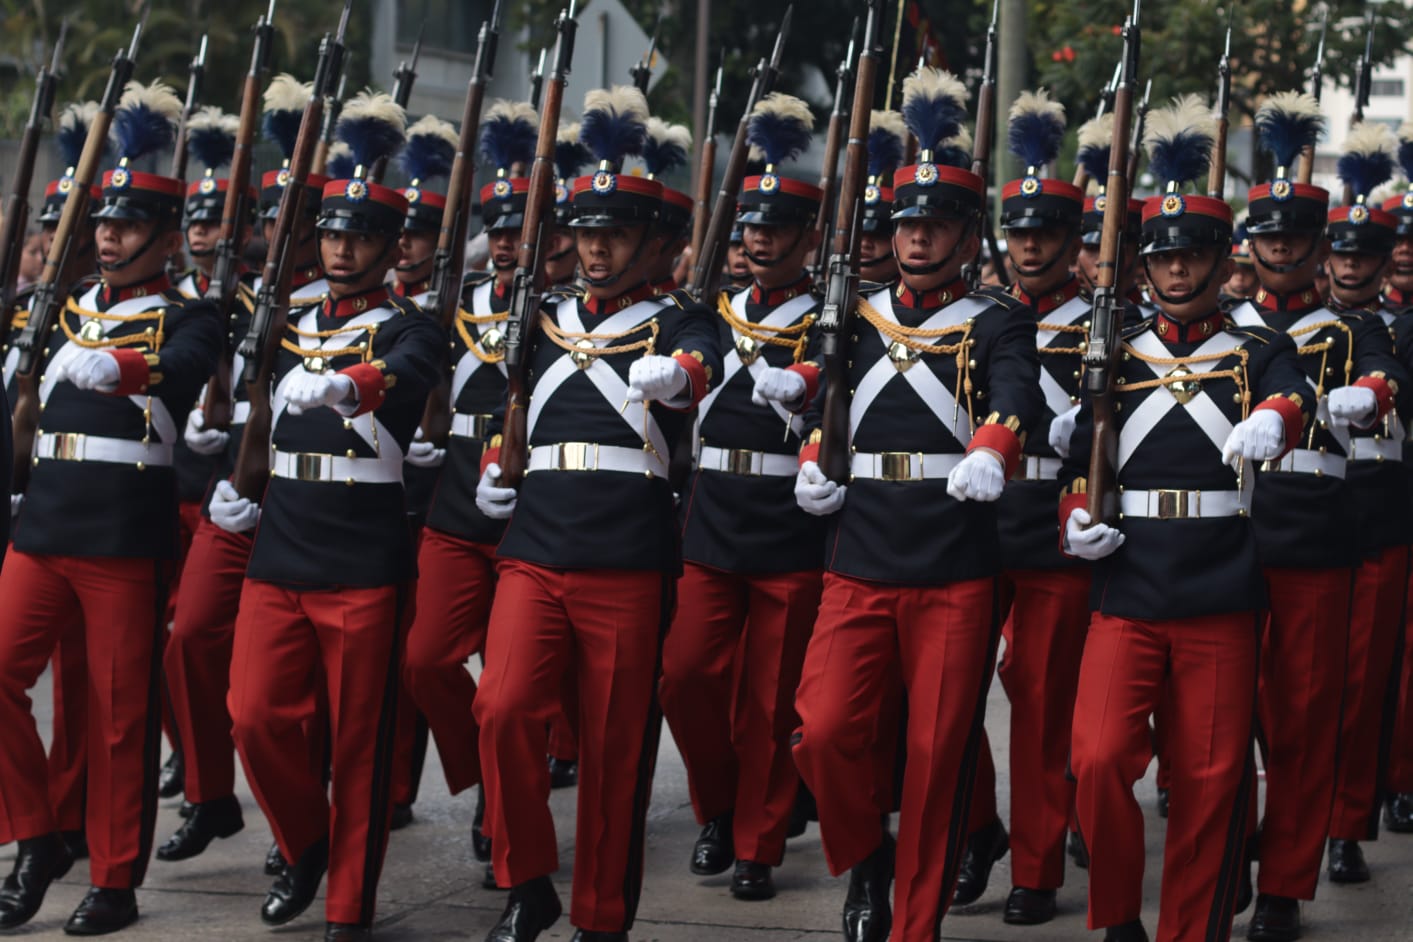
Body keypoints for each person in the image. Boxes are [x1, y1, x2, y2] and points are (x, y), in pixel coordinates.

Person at [791, 68, 1041, 942]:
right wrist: (811, 457)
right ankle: (865, 858)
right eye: (905, 223)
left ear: (968, 236)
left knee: (936, 758)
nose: (917, 237)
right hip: (859, 551)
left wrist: (992, 447)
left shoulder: (997, 319)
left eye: (936, 225)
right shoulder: (852, 314)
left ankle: (915, 923)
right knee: (822, 732)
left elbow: (1017, 393)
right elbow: (829, 408)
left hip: (953, 562)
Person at [473, 85, 721, 942]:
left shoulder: (682, 318)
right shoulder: (540, 316)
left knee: (615, 750)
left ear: (653, 244)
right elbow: (505, 409)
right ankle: (526, 881)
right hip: (535, 541)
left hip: (624, 552)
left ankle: (601, 917)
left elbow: (699, 366)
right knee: (502, 708)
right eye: (585, 233)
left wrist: (678, 376)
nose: (596, 247)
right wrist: (493, 465)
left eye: (614, 234)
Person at [1063, 99, 1313, 942]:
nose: (1176, 269)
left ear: (1220, 260)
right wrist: (1074, 518)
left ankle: (1190, 929)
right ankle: (1116, 912)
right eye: (1163, 256)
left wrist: (1275, 416)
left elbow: (1293, 392)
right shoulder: (1114, 351)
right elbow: (1079, 465)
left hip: (1218, 583)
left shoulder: (1254, 347)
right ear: (1143, 266)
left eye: (1193, 254)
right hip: (1126, 580)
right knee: (1097, 758)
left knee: (1209, 779)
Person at [0, 81, 222, 935]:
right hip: (44, 524)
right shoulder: (54, 308)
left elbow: (183, 371)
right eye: (103, 223)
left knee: (122, 717)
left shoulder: (189, 317)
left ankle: (114, 880)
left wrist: (122, 368)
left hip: (123, 535)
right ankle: (35, 837)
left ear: (166, 238)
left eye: (128, 226)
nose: (107, 236)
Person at [222, 95, 444, 942]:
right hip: (282, 544)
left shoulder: (411, 328)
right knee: (252, 716)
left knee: (357, 745)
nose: (342, 250)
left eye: (361, 238)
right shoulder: (283, 325)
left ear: (391, 248)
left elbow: (408, 372)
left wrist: (350, 384)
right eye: (332, 236)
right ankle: (305, 841)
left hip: (360, 555)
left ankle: (349, 906)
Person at [1227, 96, 1407, 936]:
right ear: (1248, 245)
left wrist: (1368, 393)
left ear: (1317, 247)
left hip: (1316, 538)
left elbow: (1384, 377)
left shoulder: (1353, 326)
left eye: (1297, 238)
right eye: (1268, 239)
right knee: (1223, 721)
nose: (1281, 250)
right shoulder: (1218, 328)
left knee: (1301, 722)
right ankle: (1229, 847)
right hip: (1221, 539)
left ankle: (1283, 883)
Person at [660, 91, 824, 903]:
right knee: (683, 676)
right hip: (713, 514)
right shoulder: (710, 313)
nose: (759, 239)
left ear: (807, 238)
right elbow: (682, 374)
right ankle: (718, 808)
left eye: (776, 229)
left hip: (790, 522)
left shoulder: (830, 319)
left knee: (769, 700)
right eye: (751, 227)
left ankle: (757, 843)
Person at [157, 81, 323, 868]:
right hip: (235, 490)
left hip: (313, 500)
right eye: (272, 218)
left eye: (296, 220)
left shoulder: (352, 308)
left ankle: (302, 824)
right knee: (189, 636)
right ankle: (208, 791)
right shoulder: (239, 297)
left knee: (304, 686)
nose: (278, 232)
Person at [960, 87, 1093, 925]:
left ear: (1075, 242)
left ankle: (1036, 869)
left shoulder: (1111, 325)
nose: (1030, 245)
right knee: (944, 699)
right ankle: (976, 828)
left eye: (1046, 234)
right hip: (971, 521)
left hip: (1053, 526)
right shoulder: (971, 320)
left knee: (1041, 704)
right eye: (1019, 232)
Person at [399, 100, 533, 886]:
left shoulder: (556, 309)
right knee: (424, 661)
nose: (507, 240)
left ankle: (505, 807)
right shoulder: (455, 304)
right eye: (498, 228)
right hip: (453, 505)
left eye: (521, 228)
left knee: (512, 692)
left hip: (528, 512)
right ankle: (485, 773)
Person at [1316, 124, 1413, 912]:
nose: (1350, 267)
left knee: (1359, 683)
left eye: (1365, 257)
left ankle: (1345, 825)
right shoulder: (1283, 331)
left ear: (1384, 264)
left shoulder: (1401, 331)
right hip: (1294, 520)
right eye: (1340, 255)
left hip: (1379, 516)